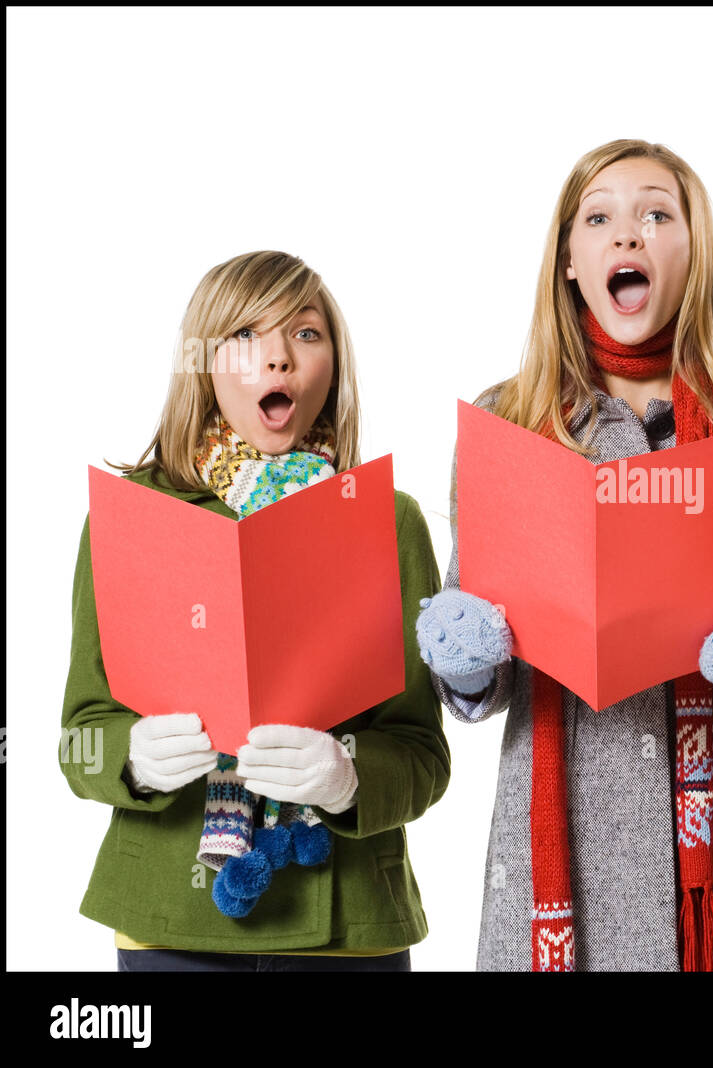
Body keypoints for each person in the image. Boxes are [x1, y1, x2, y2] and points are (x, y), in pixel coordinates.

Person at [417, 139, 713, 971]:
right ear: (571, 262)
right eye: (600, 218)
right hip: (566, 831)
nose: (629, 236)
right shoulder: (510, 419)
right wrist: (465, 653)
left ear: (694, 250)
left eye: (657, 213)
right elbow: (474, 672)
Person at [61, 250, 450, 971]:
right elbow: (79, 736)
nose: (277, 359)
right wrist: (134, 758)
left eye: (305, 334)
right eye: (244, 337)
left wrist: (350, 774)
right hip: (171, 923)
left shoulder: (388, 522)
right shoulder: (132, 519)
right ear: (203, 365)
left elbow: (425, 753)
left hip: (349, 923)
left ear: (333, 362)